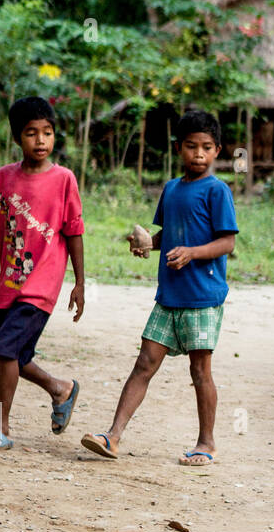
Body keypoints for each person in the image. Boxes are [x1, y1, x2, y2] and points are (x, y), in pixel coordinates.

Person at [81, 109, 238, 465]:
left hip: (202, 297)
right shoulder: (170, 189)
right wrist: (146, 244)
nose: (198, 154)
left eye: (207, 147)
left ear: (217, 151)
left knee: (200, 371)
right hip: (169, 296)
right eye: (191, 146)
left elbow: (227, 242)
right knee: (144, 364)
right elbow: (170, 235)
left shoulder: (217, 191)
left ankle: (206, 443)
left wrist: (193, 253)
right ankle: (113, 436)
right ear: (178, 148)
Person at [0, 96, 84, 451]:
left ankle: (1, 427)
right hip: (10, 284)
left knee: (6, 350)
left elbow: (74, 230)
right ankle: (61, 389)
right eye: (32, 133)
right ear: (17, 138)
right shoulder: (2, 179)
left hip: (42, 285)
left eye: (48, 132)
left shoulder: (63, 179)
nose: (41, 140)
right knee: (12, 355)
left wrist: (80, 282)